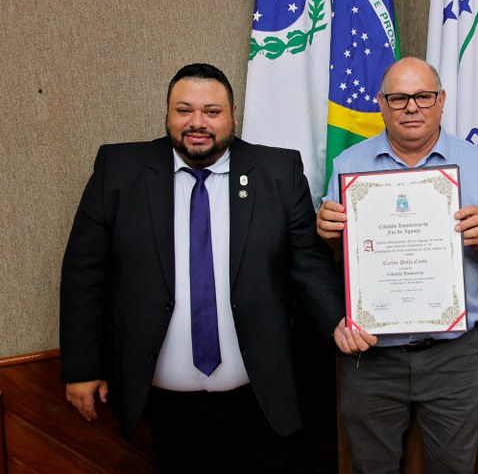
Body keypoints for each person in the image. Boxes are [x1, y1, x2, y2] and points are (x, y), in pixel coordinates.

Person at [60, 63, 344, 472]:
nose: (197, 122)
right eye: (184, 110)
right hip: (165, 403)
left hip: (259, 396)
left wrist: (339, 320)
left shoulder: (278, 172)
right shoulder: (119, 171)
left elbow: (309, 263)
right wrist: (82, 366)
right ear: (167, 114)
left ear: (233, 115)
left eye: (211, 111)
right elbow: (85, 273)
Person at [318, 57, 478, 473]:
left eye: (423, 96)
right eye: (398, 98)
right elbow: (337, 264)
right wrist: (327, 235)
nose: (411, 107)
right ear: (380, 103)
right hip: (371, 358)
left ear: (442, 100)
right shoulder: (347, 168)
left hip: (452, 359)